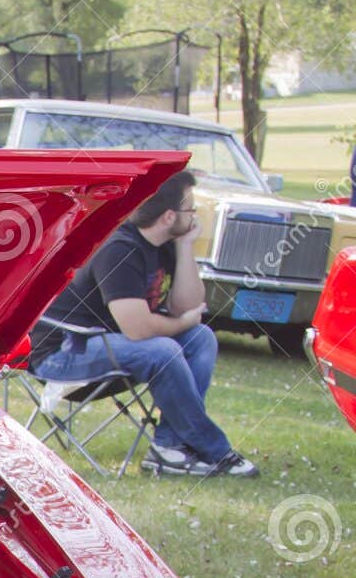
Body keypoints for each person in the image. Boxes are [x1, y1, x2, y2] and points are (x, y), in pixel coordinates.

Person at [29, 170, 258, 479]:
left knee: (200, 337)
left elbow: (187, 306)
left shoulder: (165, 244)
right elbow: (138, 329)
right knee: (162, 350)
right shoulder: (119, 249)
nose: (195, 216)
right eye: (190, 208)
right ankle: (215, 450)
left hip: (113, 347)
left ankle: (169, 447)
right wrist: (181, 323)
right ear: (168, 216)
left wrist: (185, 247)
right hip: (64, 354)